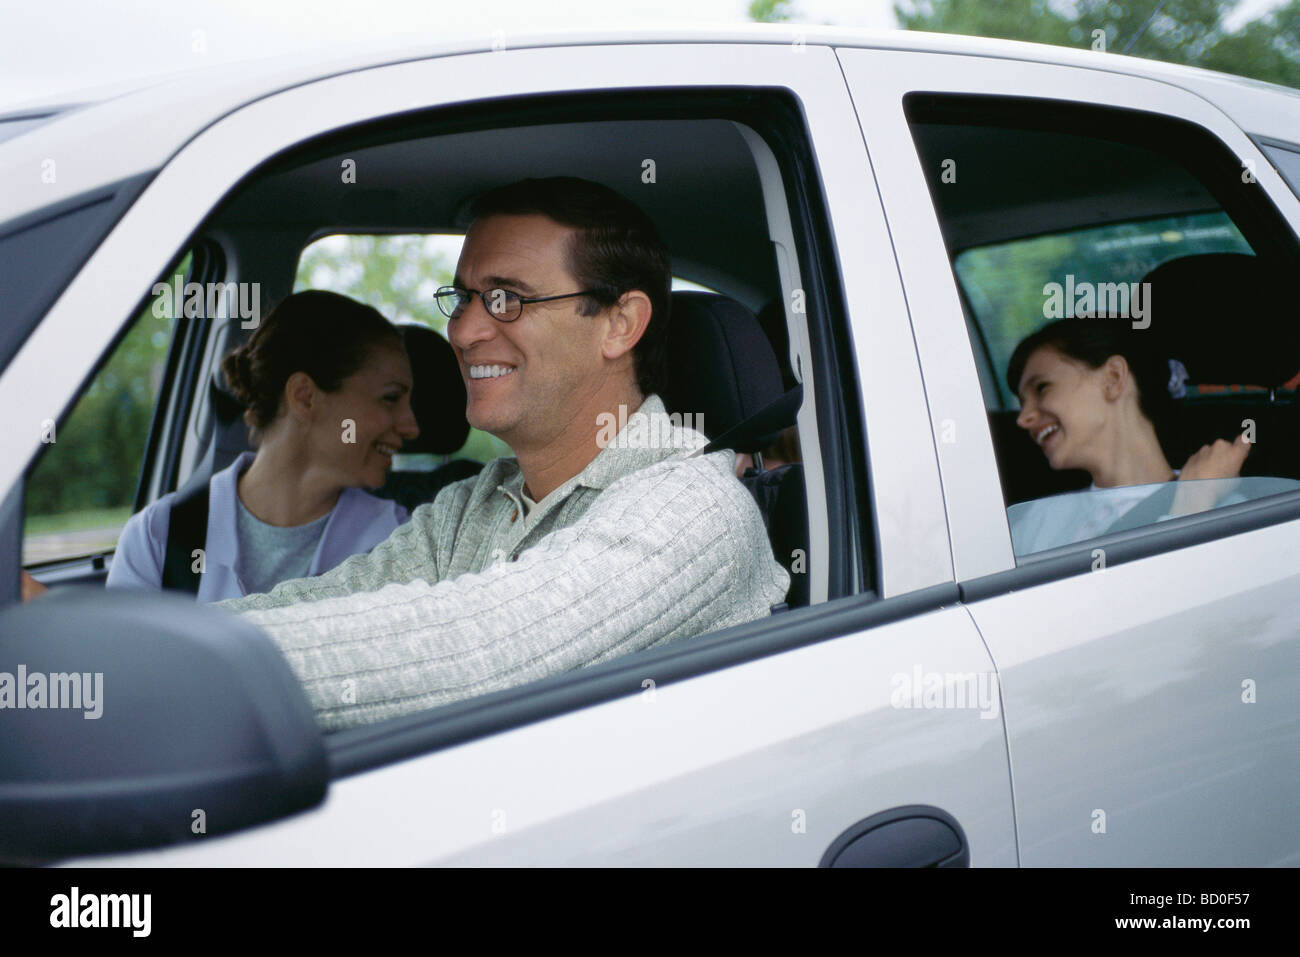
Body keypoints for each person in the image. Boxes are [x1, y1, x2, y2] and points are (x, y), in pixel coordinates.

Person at [216, 177, 790, 731]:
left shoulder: (695, 511)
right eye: (463, 298)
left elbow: (484, 647)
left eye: (505, 298)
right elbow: (326, 603)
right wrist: (170, 644)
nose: (462, 332)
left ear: (620, 324)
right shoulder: (474, 503)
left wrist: (178, 671)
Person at [104, 290, 417, 601]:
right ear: (305, 397)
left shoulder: (400, 541)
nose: (411, 427)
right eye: (390, 398)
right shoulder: (159, 538)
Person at [1006, 318, 1256, 554]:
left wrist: (1192, 504)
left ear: (1114, 378)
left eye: (1042, 388)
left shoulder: (1226, 510)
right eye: (1022, 402)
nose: (1022, 418)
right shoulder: (1038, 519)